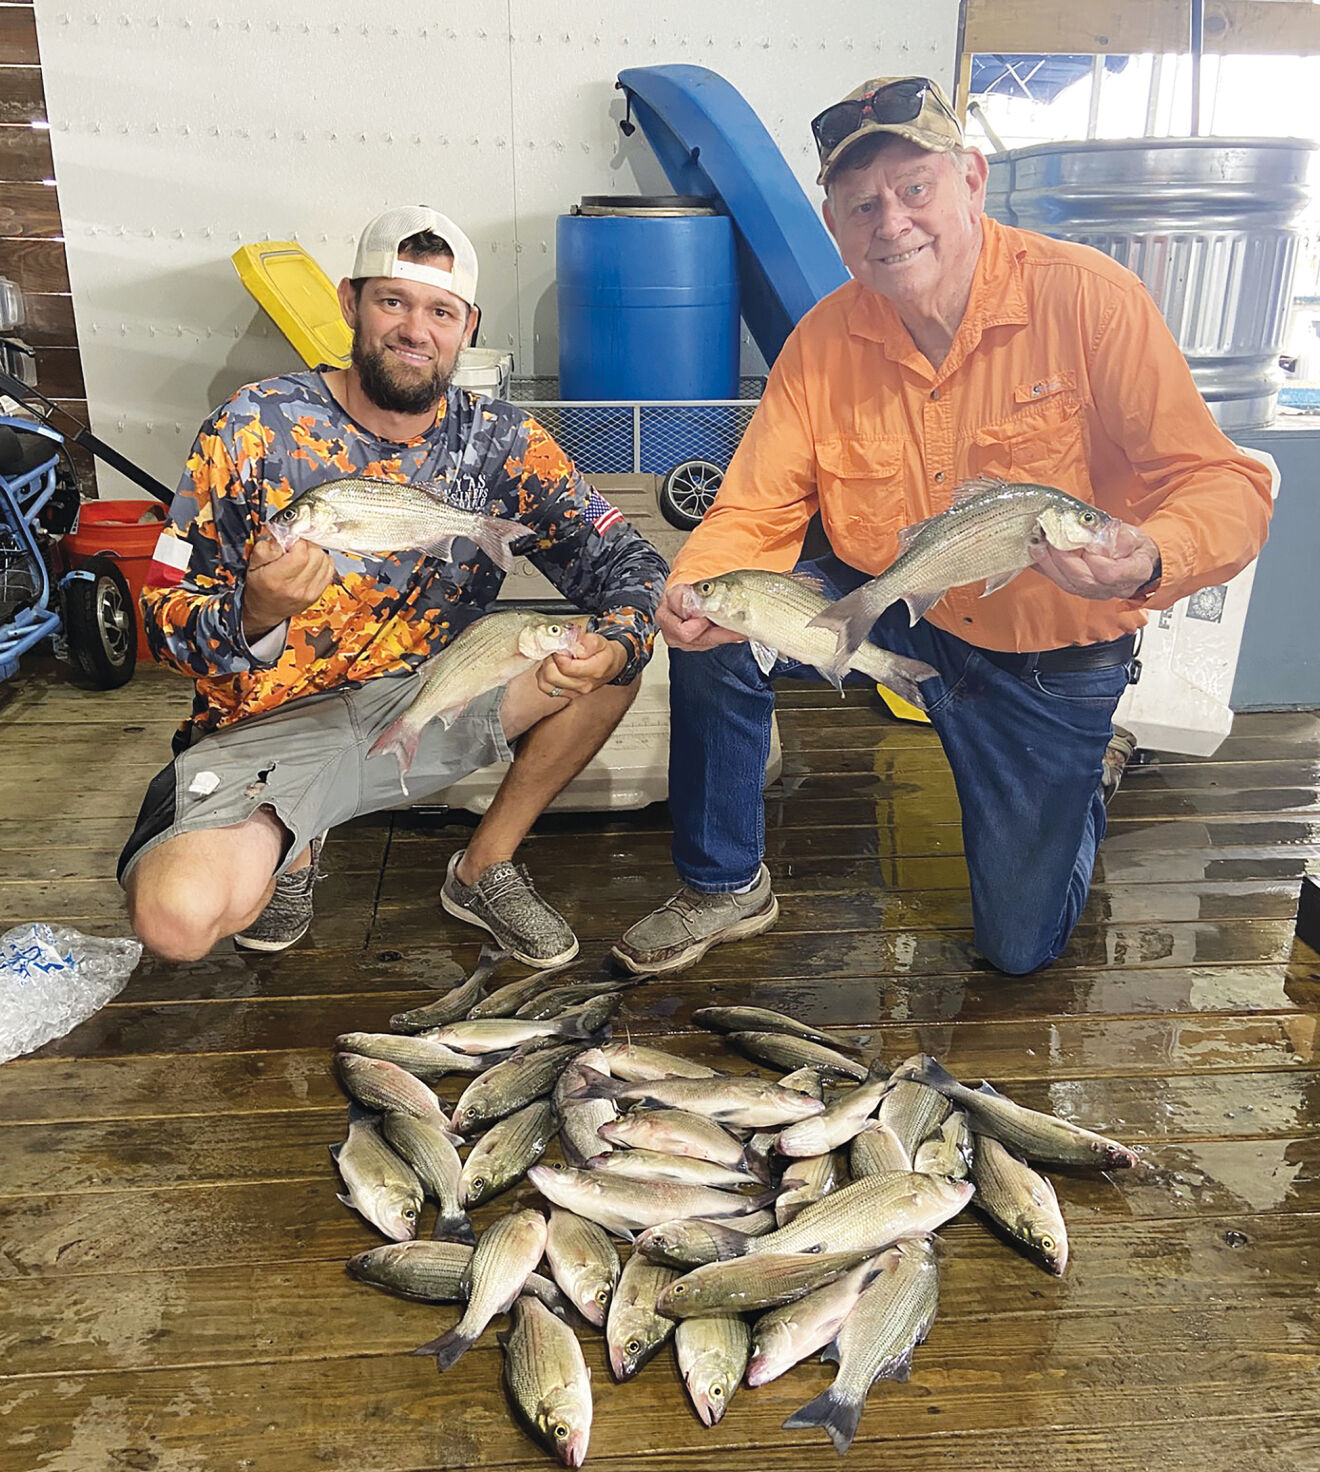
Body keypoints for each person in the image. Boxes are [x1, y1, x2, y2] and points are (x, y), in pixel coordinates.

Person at [612, 76, 1272, 978]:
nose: (891, 222)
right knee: (724, 613)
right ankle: (725, 883)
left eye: (914, 189)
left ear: (971, 180)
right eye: (861, 204)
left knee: (1018, 951)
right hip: (887, 597)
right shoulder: (821, 343)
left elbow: (1220, 483)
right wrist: (701, 587)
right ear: (836, 224)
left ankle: (1088, 770)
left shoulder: (1092, 301)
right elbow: (757, 507)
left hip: (1047, 654)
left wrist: (1152, 555)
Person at [121, 205, 666, 966]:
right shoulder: (249, 428)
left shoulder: (504, 443)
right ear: (349, 302)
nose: (416, 330)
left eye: (440, 311)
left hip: (434, 695)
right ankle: (293, 847)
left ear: (467, 326)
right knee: (176, 924)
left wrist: (618, 641)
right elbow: (161, 616)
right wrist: (255, 612)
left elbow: (630, 564)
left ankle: (481, 870)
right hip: (277, 727)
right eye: (393, 302)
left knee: (611, 662)